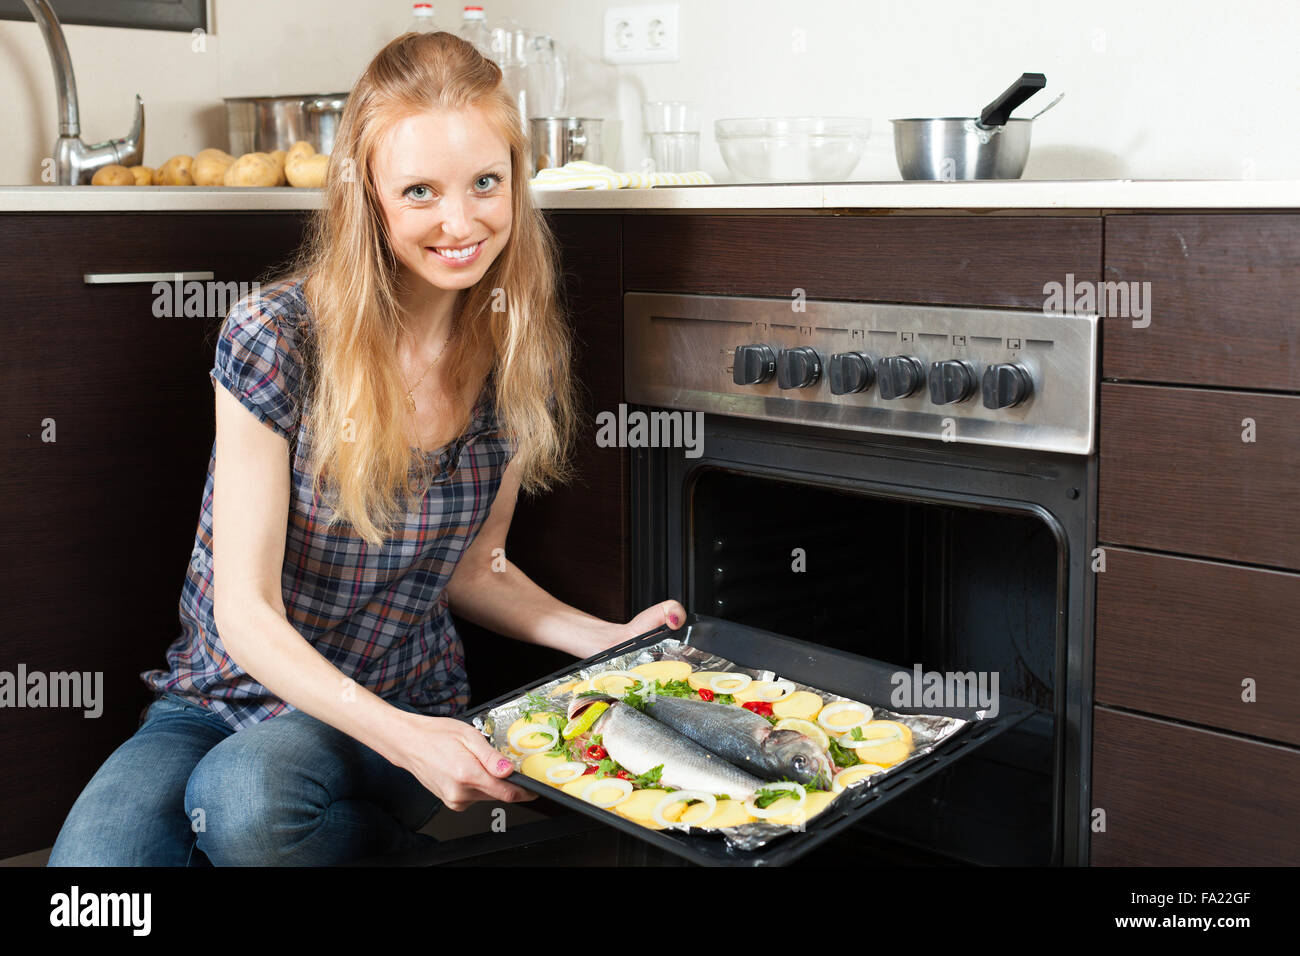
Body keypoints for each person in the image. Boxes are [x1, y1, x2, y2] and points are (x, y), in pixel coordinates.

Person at [47, 31, 685, 867]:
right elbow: (242, 612)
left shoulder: (513, 349)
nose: (461, 223)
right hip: (218, 693)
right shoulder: (275, 339)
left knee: (244, 805)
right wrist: (404, 740)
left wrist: (597, 639)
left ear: (516, 183)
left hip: (405, 697)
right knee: (88, 886)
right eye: (420, 191)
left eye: (486, 183)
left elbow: (474, 566)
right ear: (367, 196)